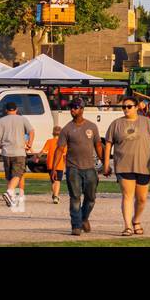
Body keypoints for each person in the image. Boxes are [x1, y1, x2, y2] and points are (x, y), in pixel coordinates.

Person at [103, 96, 150, 236]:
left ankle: (136, 220)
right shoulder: (116, 124)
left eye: (129, 106)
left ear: (136, 107)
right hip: (123, 165)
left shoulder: (146, 122)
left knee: (142, 198)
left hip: (144, 165)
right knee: (127, 196)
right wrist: (105, 164)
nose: (126, 109)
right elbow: (108, 143)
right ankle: (127, 226)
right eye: (123, 107)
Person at [56, 98, 102, 236]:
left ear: (82, 109)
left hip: (90, 168)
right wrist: (54, 168)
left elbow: (98, 145)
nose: (72, 110)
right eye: (71, 108)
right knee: (75, 197)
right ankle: (76, 226)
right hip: (73, 168)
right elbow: (60, 149)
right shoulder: (66, 129)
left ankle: (84, 218)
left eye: (75, 107)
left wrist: (105, 163)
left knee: (91, 198)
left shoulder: (92, 126)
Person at [0, 101, 34, 207]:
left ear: (6, 110)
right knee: (18, 174)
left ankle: (11, 198)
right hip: (19, 151)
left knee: (9, 177)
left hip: (6, 152)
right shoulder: (22, 119)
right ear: (16, 109)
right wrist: (30, 144)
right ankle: (9, 192)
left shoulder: (1, 121)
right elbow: (31, 131)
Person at [43, 126, 66, 204]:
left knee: (53, 181)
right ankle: (56, 196)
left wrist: (36, 156)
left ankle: (55, 195)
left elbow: (43, 151)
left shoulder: (49, 141)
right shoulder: (63, 143)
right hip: (59, 165)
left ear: (53, 133)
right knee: (58, 181)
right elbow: (64, 155)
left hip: (50, 165)